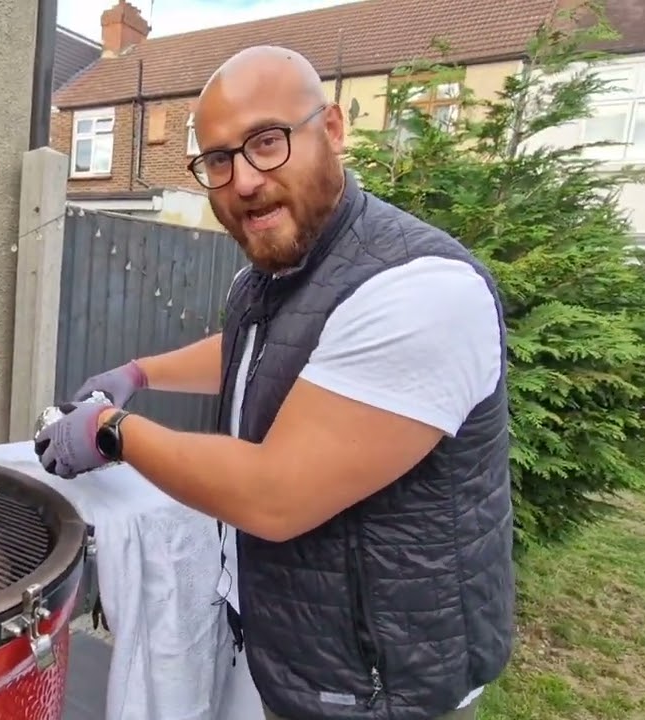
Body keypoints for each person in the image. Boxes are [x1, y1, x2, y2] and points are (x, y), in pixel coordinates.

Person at [33, 45, 514, 720]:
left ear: (333, 130)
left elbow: (273, 495)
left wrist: (112, 433)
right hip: (283, 644)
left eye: (266, 142)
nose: (244, 181)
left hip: (377, 685)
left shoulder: (422, 291)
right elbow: (259, 349)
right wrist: (140, 373)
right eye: (219, 160)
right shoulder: (272, 275)